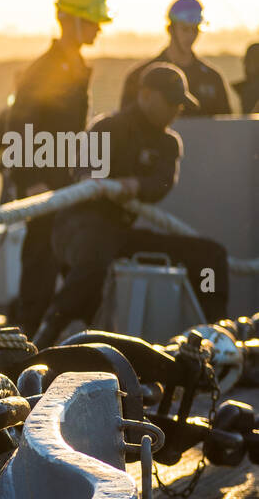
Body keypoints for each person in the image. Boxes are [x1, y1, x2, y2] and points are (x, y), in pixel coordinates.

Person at [35, 63, 229, 349]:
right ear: (147, 95)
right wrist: (94, 179)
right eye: (172, 102)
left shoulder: (168, 143)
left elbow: (162, 183)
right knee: (95, 260)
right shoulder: (108, 128)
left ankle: (213, 336)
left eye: (180, 104)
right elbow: (82, 169)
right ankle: (47, 336)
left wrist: (134, 186)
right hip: (77, 227)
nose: (177, 110)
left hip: (119, 234)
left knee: (209, 258)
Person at [0, 0, 110, 338]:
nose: (98, 29)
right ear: (69, 20)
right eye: (92, 22)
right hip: (44, 185)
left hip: (65, 185)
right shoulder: (45, 70)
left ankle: (63, 336)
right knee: (41, 262)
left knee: (65, 258)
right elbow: (20, 123)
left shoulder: (72, 66)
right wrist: (30, 182)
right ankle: (25, 345)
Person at [119, 0, 232, 116]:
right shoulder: (140, 76)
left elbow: (226, 127)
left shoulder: (212, 78)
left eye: (195, 30)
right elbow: (126, 126)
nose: (191, 36)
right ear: (170, 30)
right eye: (185, 29)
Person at [233, 42, 259, 115]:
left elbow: (250, 123)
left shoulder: (251, 90)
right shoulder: (246, 89)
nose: (244, 64)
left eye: (248, 60)